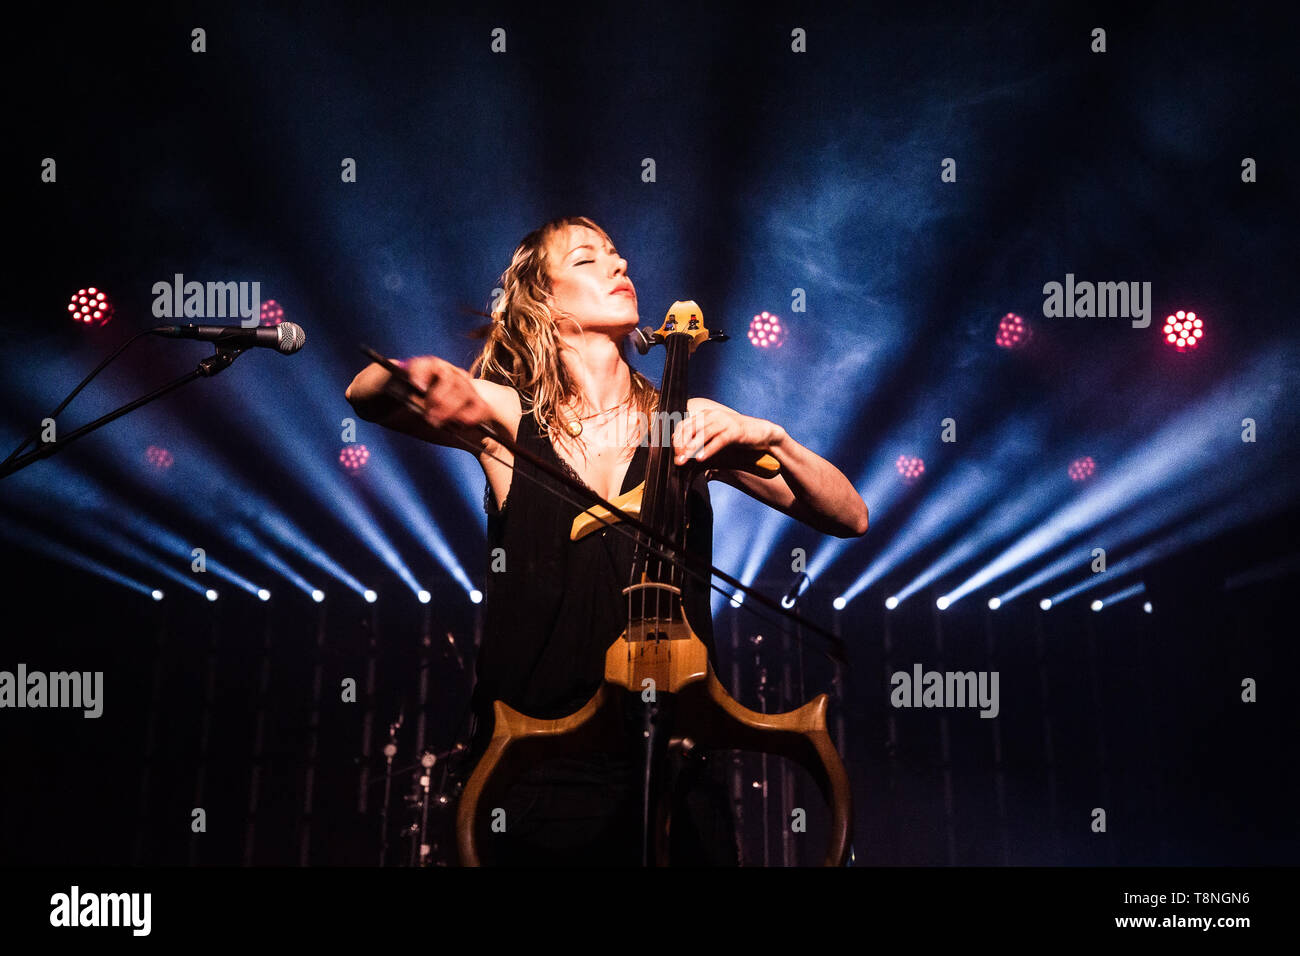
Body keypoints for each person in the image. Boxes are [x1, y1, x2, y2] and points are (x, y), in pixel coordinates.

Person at [345, 215, 869, 865]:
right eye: (588, 261)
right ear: (545, 302)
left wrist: (772, 438)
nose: (619, 267)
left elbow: (849, 514)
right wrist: (422, 375)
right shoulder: (510, 418)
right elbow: (366, 393)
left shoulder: (682, 426)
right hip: (542, 766)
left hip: (677, 767)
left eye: (619, 257)